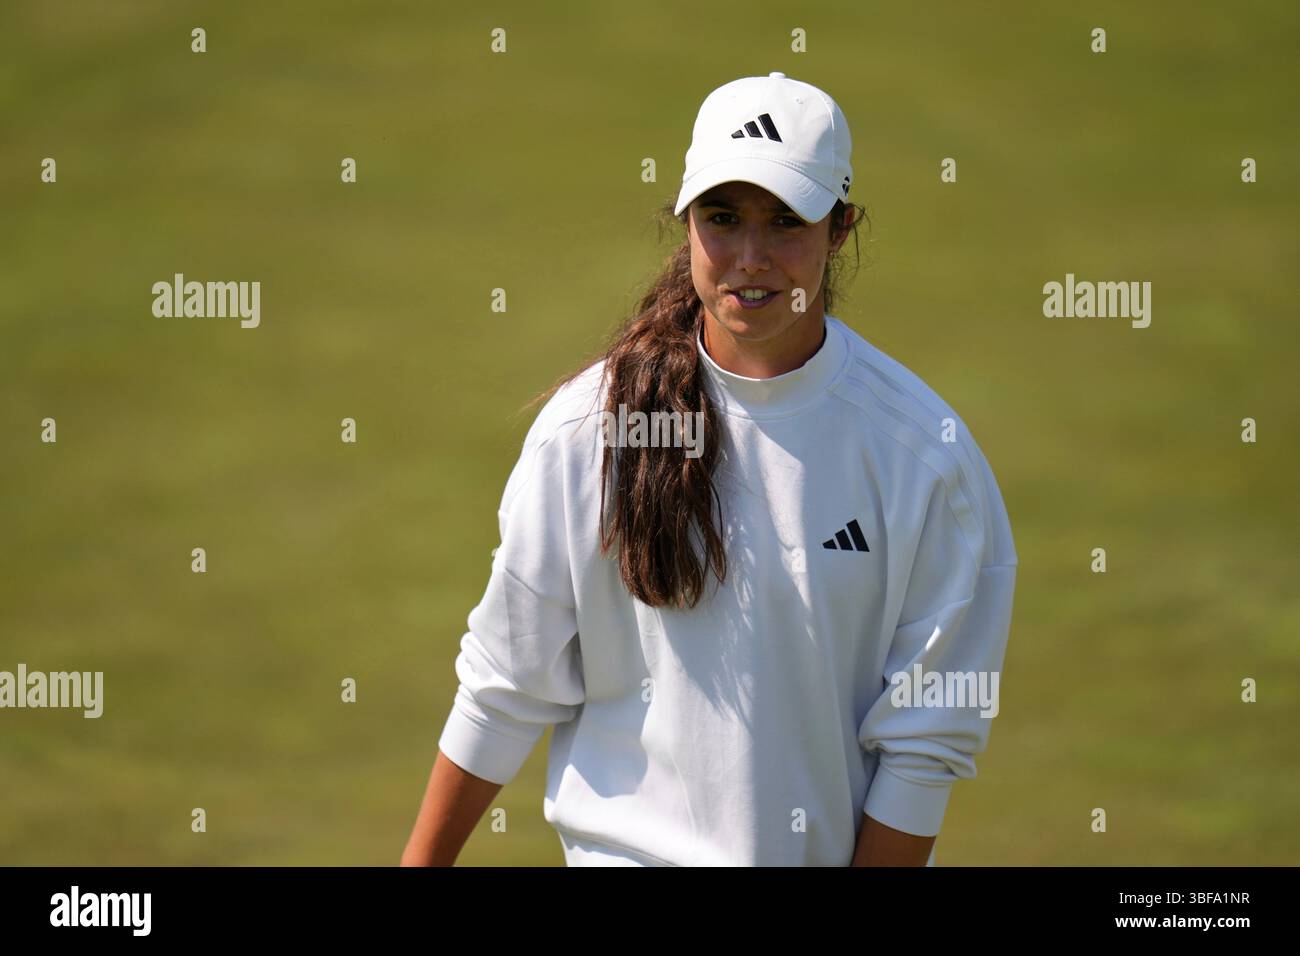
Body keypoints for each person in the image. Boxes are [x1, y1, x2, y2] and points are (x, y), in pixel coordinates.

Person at [402, 72, 1018, 867]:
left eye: (787, 221)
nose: (751, 259)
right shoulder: (588, 433)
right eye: (722, 219)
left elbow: (923, 747)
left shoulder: (925, 459)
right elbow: (505, 684)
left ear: (841, 229)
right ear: (685, 224)